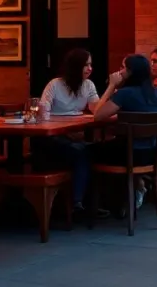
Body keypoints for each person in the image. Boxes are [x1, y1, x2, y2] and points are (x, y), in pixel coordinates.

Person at [93, 54, 157, 209]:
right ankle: (128, 193)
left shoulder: (125, 94)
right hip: (151, 154)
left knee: (88, 151)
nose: (119, 71)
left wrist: (112, 85)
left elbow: (97, 115)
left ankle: (96, 204)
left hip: (128, 154)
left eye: (123, 67)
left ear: (131, 72)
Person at [34, 49, 101, 217]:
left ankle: (87, 203)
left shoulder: (88, 85)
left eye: (91, 64)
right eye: (86, 65)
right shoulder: (55, 84)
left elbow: (97, 110)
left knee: (94, 150)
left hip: (72, 137)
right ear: (75, 66)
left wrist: (110, 90)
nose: (90, 68)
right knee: (82, 152)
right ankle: (77, 204)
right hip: (50, 139)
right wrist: (43, 108)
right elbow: (43, 109)